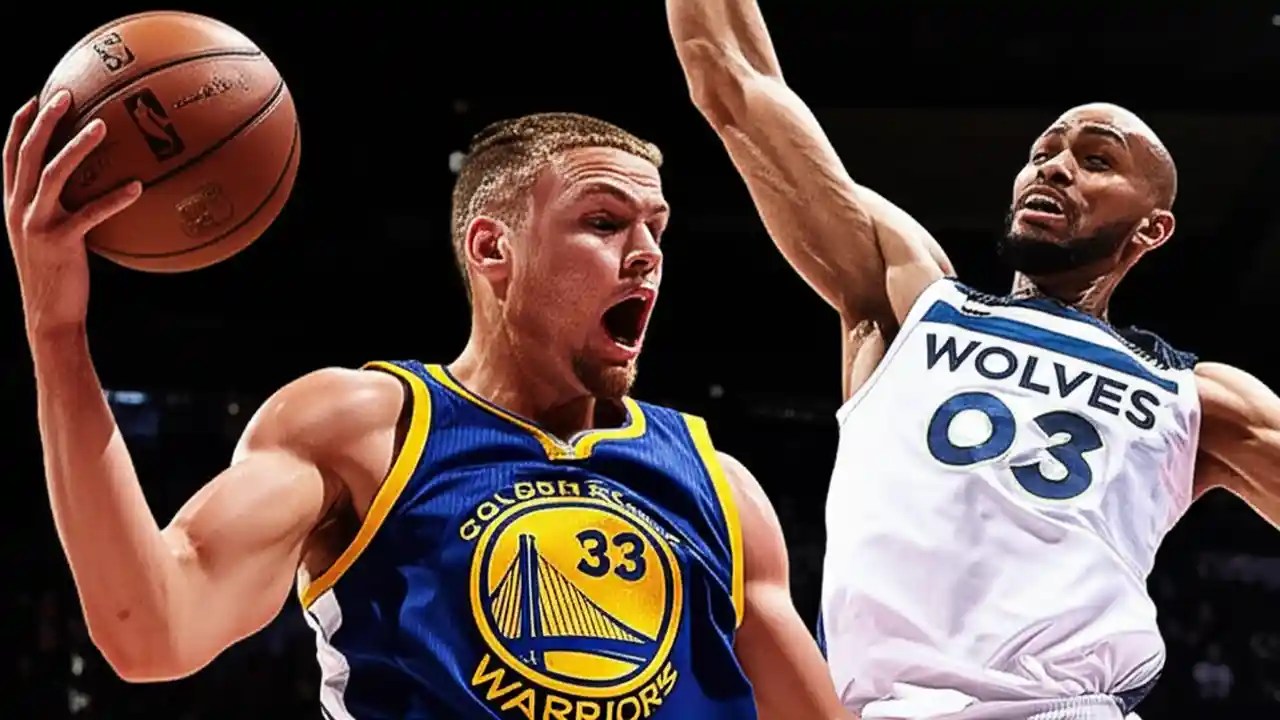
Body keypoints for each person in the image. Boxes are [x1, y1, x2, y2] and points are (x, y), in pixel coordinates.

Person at [5, 95, 849, 719]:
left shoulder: (721, 488)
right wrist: (57, 330)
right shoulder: (365, 428)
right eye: (604, 222)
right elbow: (150, 629)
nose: (647, 258)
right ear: (493, 247)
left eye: (657, 229)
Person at [667, 2, 1280, 719]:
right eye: (1044, 152)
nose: (1055, 166)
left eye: (1097, 158)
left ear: (1153, 227)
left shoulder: (1196, 396)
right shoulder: (910, 299)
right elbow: (736, 83)